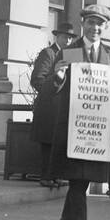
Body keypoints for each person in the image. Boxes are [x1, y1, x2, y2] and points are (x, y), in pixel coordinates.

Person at [45, 5, 110, 220]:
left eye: (100, 24)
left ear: (106, 27)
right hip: (73, 128)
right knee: (78, 180)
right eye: (91, 23)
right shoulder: (70, 52)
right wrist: (57, 78)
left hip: (98, 130)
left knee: (82, 180)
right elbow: (51, 89)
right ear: (83, 25)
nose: (95, 28)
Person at [30, 22, 77, 186]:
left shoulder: (70, 56)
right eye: (65, 37)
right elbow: (37, 80)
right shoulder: (48, 53)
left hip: (62, 108)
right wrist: (52, 89)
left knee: (58, 142)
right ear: (57, 37)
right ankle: (45, 177)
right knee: (47, 142)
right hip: (48, 106)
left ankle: (55, 176)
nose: (68, 42)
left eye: (71, 38)